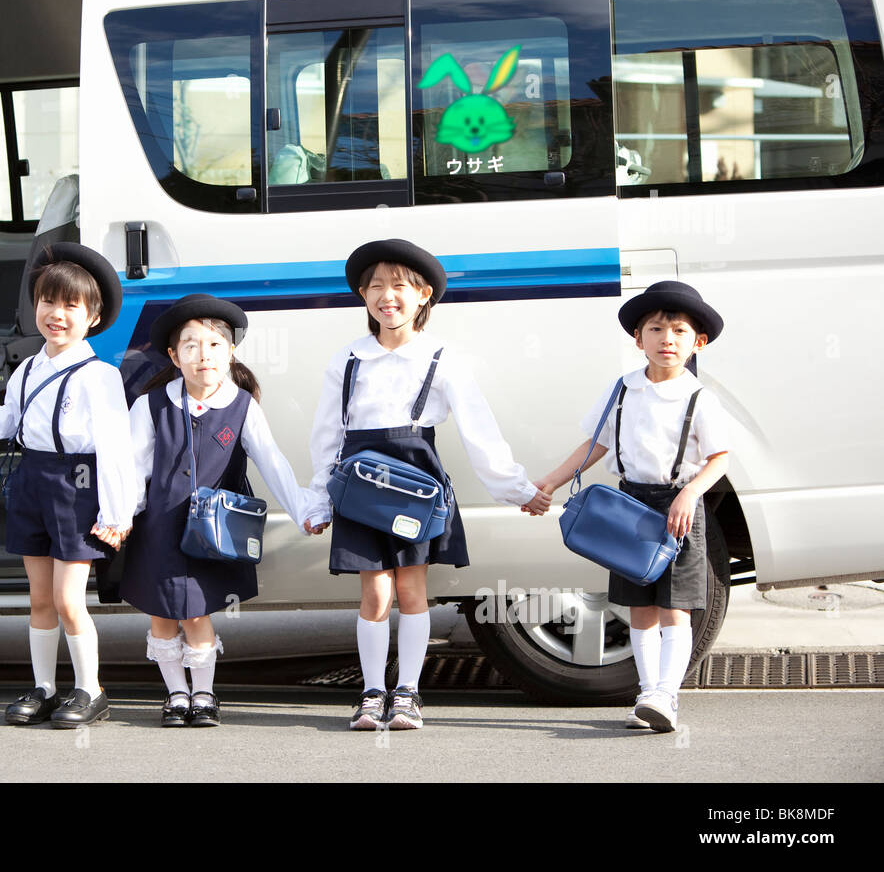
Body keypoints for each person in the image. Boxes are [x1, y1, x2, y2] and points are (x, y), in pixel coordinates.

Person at [306, 239, 549, 730]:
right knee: (374, 594)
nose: (386, 295)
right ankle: (372, 692)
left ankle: (409, 693)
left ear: (423, 298)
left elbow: (478, 428)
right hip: (360, 483)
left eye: (400, 286)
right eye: (375, 286)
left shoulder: (440, 356)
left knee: (412, 588)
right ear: (362, 296)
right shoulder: (348, 358)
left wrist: (516, 488)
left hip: (415, 482)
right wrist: (318, 500)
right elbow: (327, 433)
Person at [0, 243, 133, 727]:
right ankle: (45, 688)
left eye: (70, 306)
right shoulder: (27, 369)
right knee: (40, 598)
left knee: (69, 600)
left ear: (93, 316)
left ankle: (90, 690)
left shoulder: (99, 375)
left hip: (76, 488)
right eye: (48, 302)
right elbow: (6, 424)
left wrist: (117, 514)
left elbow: (115, 448)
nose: (56, 314)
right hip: (32, 482)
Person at [533, 281, 729, 733]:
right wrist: (549, 482)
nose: (667, 339)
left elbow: (719, 458)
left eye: (679, 331)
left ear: (697, 342)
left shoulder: (699, 398)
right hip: (630, 503)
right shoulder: (622, 389)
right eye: (656, 329)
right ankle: (647, 692)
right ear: (637, 339)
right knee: (638, 605)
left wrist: (689, 493)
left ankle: (667, 695)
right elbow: (596, 444)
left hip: (678, 507)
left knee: (675, 606)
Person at [122, 295, 316, 727]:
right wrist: (120, 518)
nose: (202, 355)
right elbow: (133, 468)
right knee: (161, 612)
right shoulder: (151, 405)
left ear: (230, 352)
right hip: (158, 526)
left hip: (211, 531)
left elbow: (272, 461)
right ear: (174, 357)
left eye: (213, 345)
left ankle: (204, 695)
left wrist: (303, 510)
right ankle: (175, 695)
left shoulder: (242, 406)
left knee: (196, 611)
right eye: (189, 346)